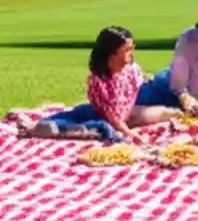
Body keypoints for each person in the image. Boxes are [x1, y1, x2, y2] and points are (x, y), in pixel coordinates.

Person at [23, 26, 178, 143]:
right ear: (111, 56)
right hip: (106, 118)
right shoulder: (100, 82)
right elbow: (113, 118)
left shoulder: (130, 70)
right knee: (96, 126)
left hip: (127, 113)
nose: (132, 54)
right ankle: (48, 128)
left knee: (164, 112)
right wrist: (130, 135)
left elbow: (143, 81)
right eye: (127, 50)